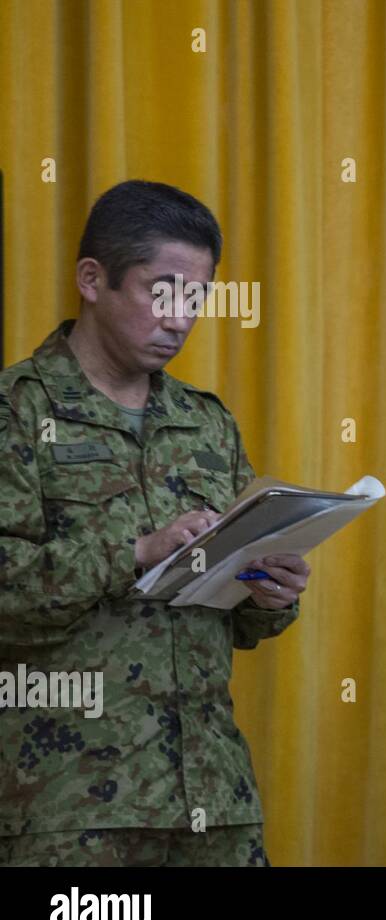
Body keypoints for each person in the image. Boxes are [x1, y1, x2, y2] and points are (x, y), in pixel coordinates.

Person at [0, 180, 309, 866]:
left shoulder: (206, 421)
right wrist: (137, 550)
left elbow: (240, 621)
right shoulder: (16, 411)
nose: (181, 318)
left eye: (196, 298)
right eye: (162, 291)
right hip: (69, 808)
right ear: (92, 279)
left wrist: (272, 592)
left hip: (212, 801)